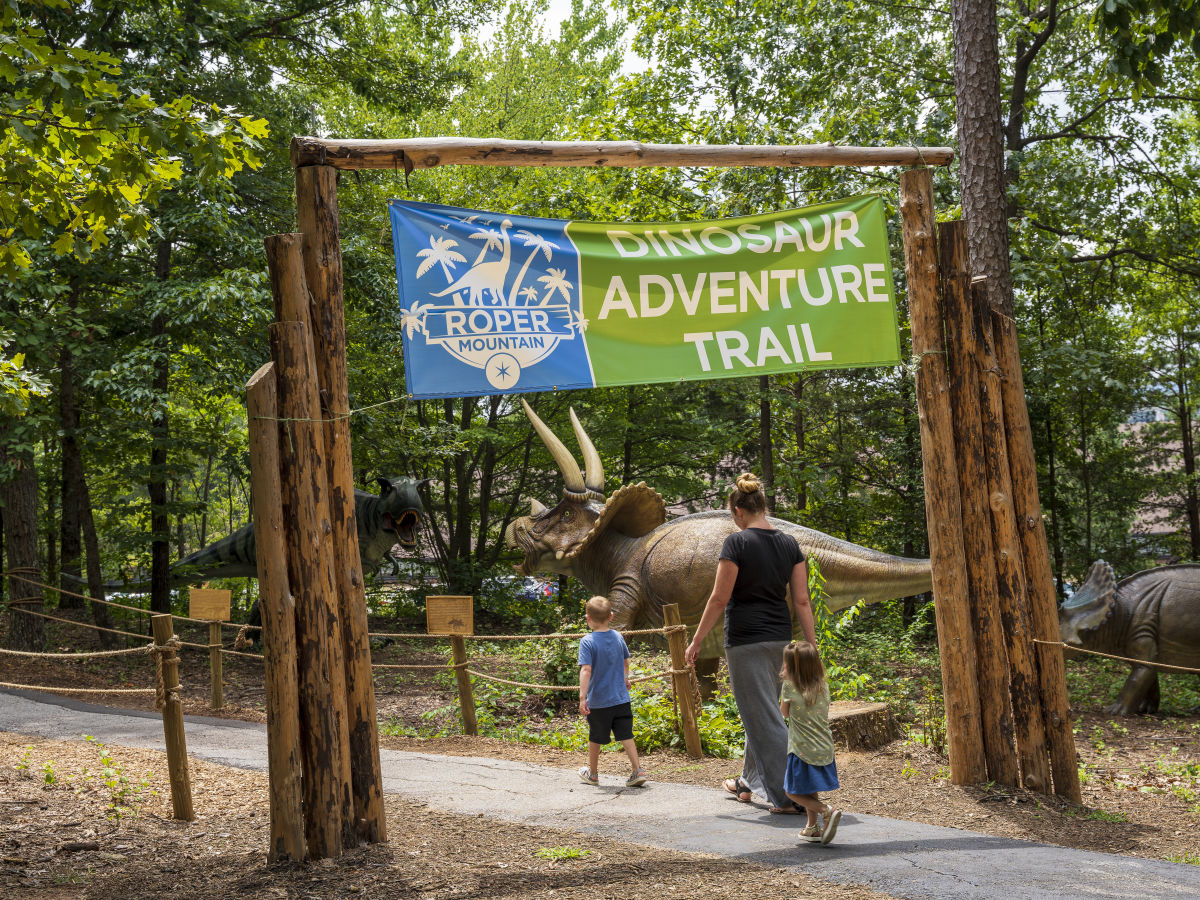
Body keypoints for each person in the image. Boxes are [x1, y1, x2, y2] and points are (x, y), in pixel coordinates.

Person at [684, 472, 816, 815]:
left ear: (739, 511)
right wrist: (811, 645)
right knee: (763, 711)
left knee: (764, 718)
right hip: (779, 639)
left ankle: (793, 796)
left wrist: (696, 640)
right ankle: (747, 782)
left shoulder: (737, 543)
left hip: (745, 641)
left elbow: (718, 598)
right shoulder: (790, 544)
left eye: (733, 515)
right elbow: (802, 601)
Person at [577, 595, 647, 787]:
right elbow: (625, 662)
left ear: (587, 618)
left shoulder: (587, 641)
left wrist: (582, 697)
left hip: (599, 701)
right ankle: (637, 770)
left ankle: (593, 774)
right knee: (626, 734)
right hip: (621, 699)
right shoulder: (618, 637)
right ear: (611, 616)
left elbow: (586, 670)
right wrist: (625, 678)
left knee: (596, 736)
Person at [780, 640, 842, 844]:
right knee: (809, 787)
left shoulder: (789, 686)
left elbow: (784, 713)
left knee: (792, 792)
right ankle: (812, 827)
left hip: (801, 749)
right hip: (824, 746)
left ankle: (826, 810)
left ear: (790, 667)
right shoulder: (823, 685)